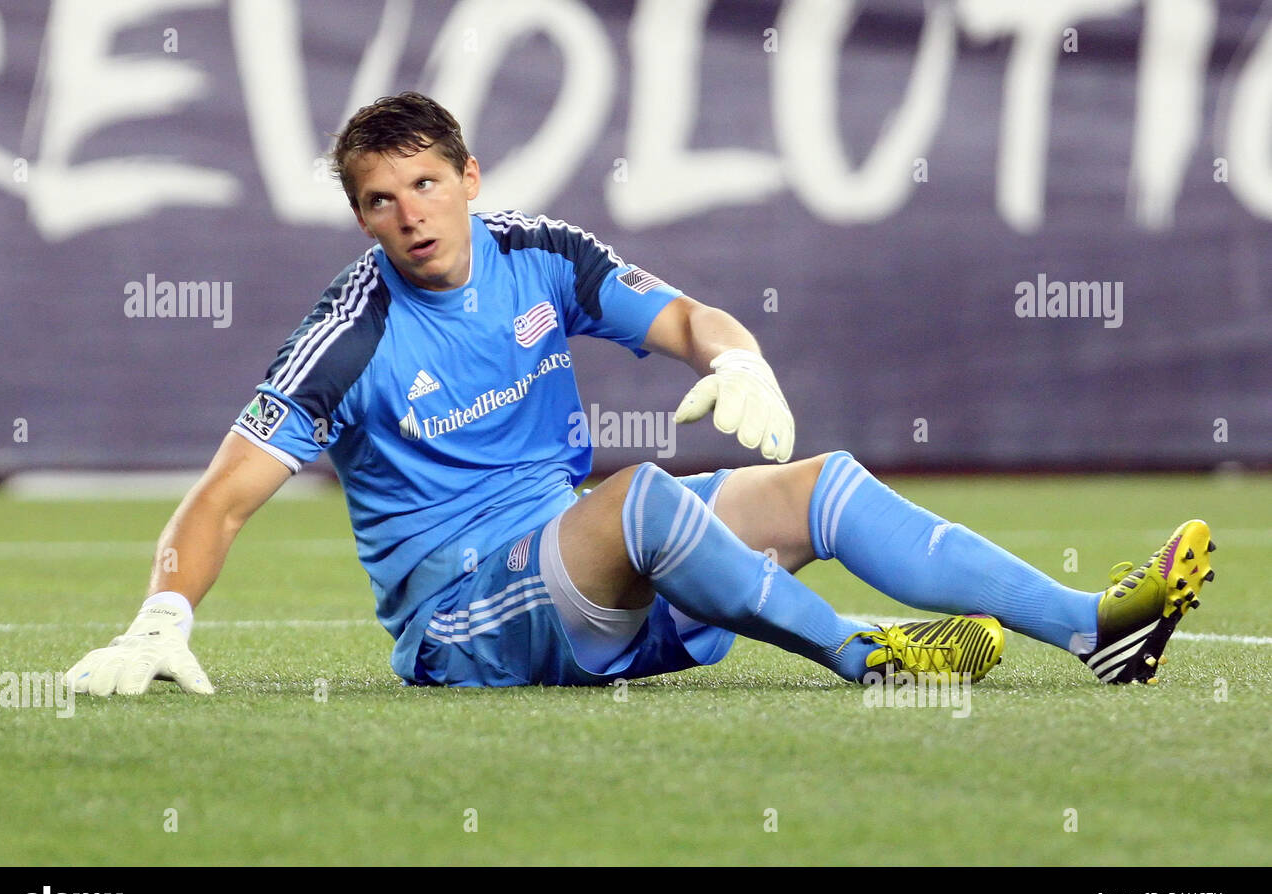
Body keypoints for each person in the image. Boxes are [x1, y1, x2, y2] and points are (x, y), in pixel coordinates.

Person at [65, 92, 1215, 696]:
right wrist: (160, 616)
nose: (409, 213)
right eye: (378, 198)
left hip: (597, 575)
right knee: (646, 501)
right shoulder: (346, 335)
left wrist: (735, 357)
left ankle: (1095, 629)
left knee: (823, 485)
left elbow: (680, 319)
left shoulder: (540, 254)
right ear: (357, 215)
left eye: (426, 183)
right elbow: (219, 497)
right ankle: (866, 657)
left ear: (470, 178)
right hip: (465, 622)